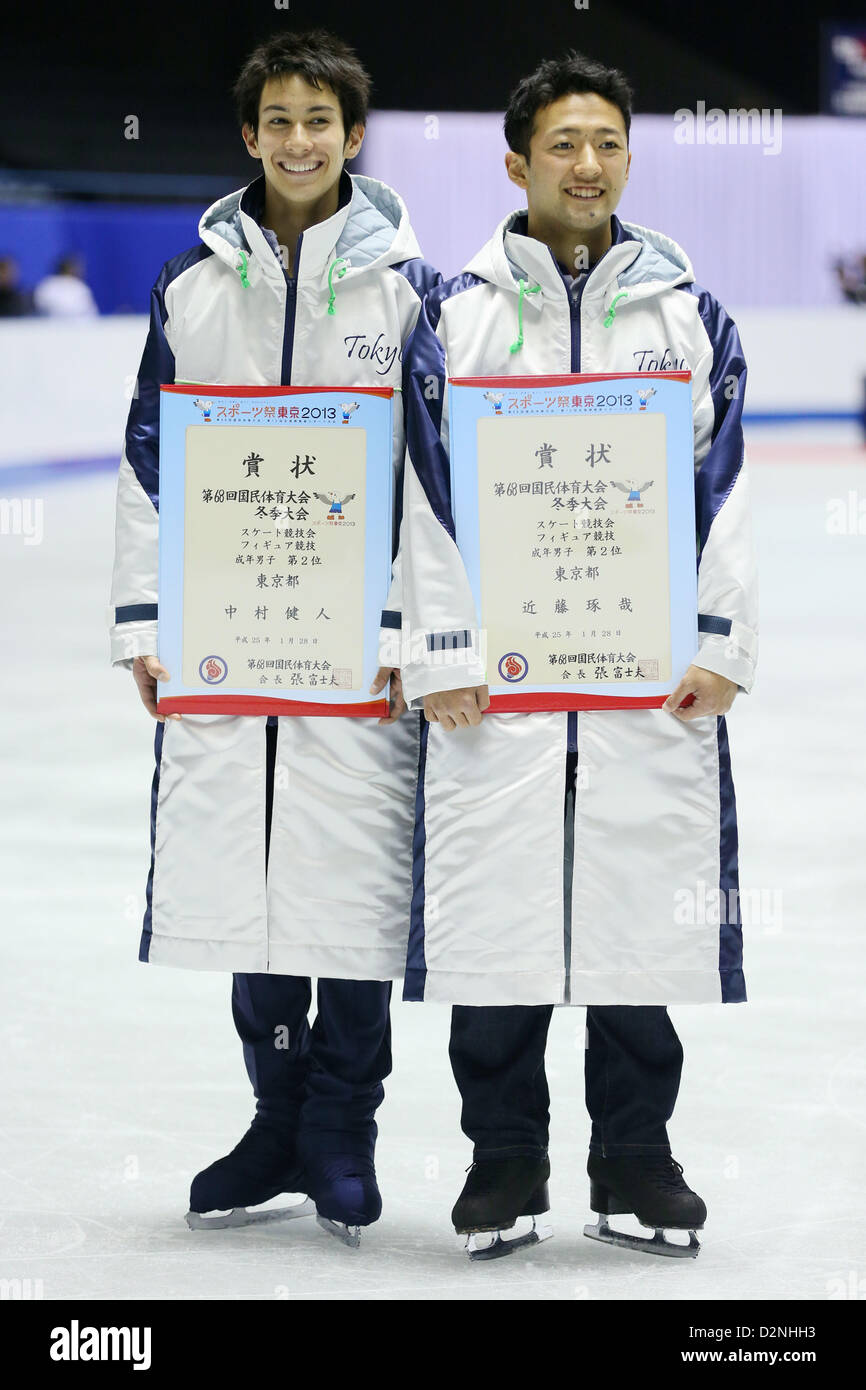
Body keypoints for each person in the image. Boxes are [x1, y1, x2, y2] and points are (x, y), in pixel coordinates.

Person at [398, 51, 758, 1259]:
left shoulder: (686, 315)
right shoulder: (454, 314)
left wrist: (719, 639)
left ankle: (635, 1158)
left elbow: (723, 486)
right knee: (493, 913)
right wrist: (441, 648)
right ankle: (502, 1159)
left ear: (627, 156)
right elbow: (422, 488)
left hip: (639, 679)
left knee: (635, 912)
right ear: (516, 163)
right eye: (561, 143)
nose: (586, 163)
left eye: (605, 142)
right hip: (495, 685)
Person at [108, 28, 440, 1244]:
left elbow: (431, 474)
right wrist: (144, 617)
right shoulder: (191, 285)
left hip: (358, 649)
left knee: (349, 880)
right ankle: (275, 1116)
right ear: (249, 135)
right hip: (230, 637)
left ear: (354, 136)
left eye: (320, 121)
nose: (299, 141)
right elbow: (151, 452)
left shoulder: (410, 291)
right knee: (249, 875)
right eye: (279, 120)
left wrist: (412, 625)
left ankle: (342, 1126)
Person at [34, 253, 98, 316]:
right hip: (52, 322)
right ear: (68, 269)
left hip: (77, 322)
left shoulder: (80, 287)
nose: (79, 271)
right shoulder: (80, 288)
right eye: (75, 268)